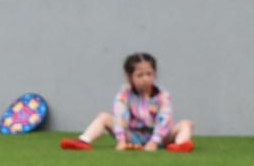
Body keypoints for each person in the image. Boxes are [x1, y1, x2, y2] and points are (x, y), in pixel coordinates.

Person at [60, 52, 195, 152]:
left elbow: (164, 119)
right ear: (129, 77)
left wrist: (154, 141)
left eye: (149, 74)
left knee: (186, 124)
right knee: (103, 117)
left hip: (160, 137)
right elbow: (120, 117)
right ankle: (84, 141)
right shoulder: (124, 94)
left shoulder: (162, 95)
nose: (145, 79)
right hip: (132, 135)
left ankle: (180, 145)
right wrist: (122, 140)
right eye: (140, 75)